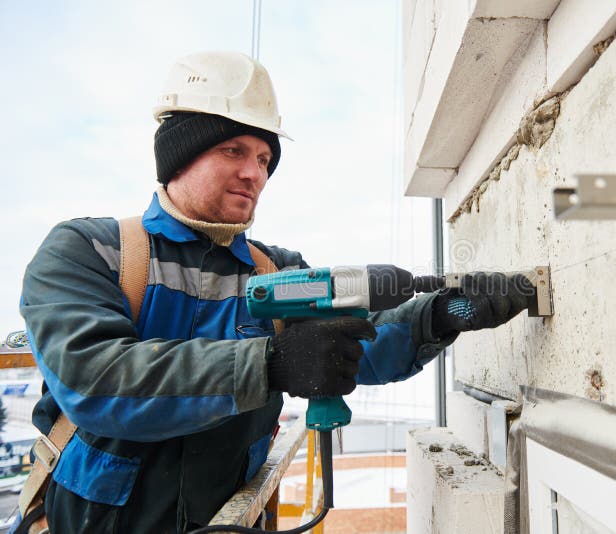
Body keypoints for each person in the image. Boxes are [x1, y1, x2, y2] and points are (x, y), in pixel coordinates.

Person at [15, 51, 533, 533]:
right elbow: (95, 379)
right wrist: (271, 365)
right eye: (234, 150)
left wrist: (441, 315)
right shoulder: (91, 251)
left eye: (265, 159)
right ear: (178, 154)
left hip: (231, 521)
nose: (254, 174)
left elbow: (356, 346)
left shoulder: (278, 271)